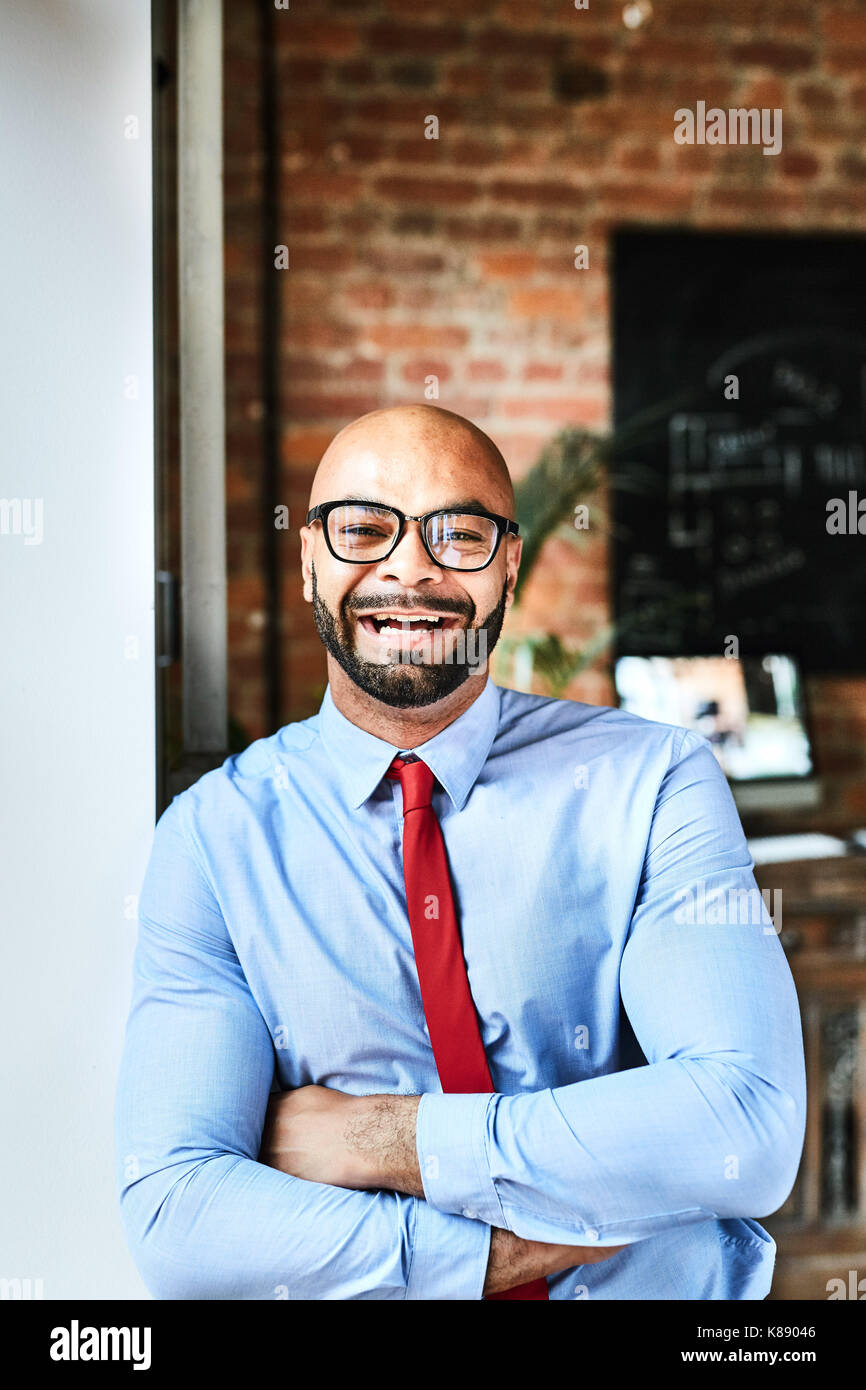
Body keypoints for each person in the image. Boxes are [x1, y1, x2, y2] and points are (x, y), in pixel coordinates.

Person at [115, 404, 806, 1299]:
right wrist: (486, 1258)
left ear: (508, 566)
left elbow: (742, 1131)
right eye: (363, 529)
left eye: (460, 533)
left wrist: (384, 1141)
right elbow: (178, 1217)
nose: (409, 567)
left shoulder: (654, 781)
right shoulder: (212, 838)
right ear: (310, 562)